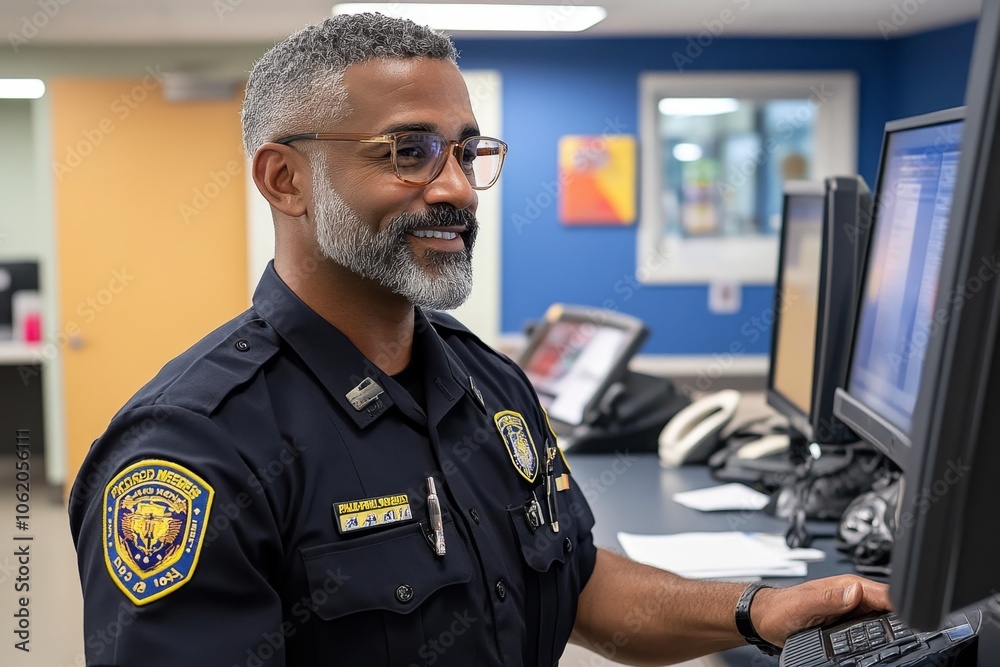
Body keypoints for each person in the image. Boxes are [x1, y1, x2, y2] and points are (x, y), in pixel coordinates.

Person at [69, 12, 890, 666]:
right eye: (409, 152)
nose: (456, 187)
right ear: (287, 179)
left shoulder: (486, 383)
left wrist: (753, 608)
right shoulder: (192, 453)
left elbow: (576, 584)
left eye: (466, 151)